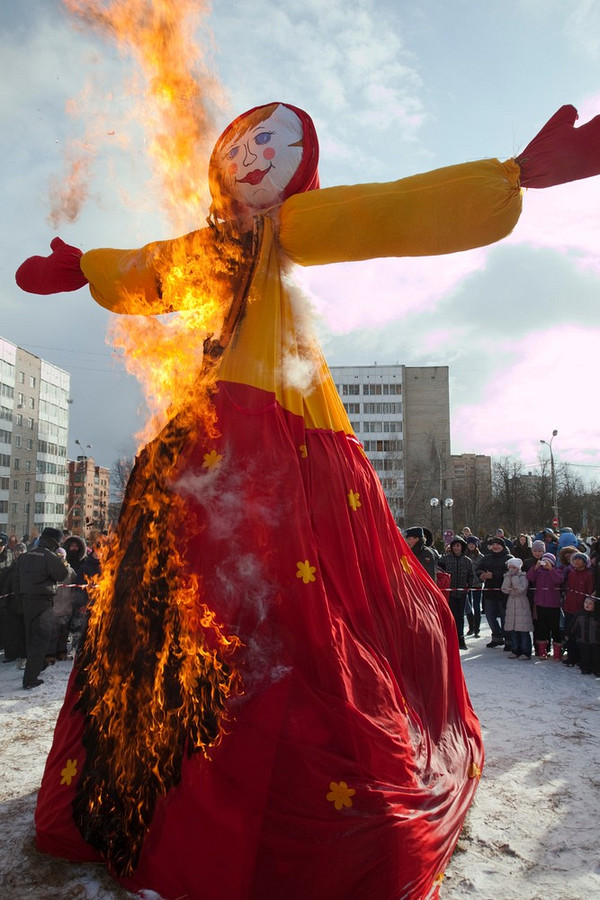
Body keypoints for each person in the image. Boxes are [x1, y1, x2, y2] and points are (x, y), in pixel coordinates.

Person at [16, 100, 600, 899]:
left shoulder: (291, 227)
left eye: (269, 141)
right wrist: (88, 266)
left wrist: (510, 178)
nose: (252, 157)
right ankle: (148, 772)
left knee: (296, 603)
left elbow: (387, 211)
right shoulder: (215, 246)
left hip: (281, 429)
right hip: (212, 428)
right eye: (239, 145)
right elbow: (149, 269)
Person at [17, 527, 68, 689]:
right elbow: (62, 575)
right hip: (43, 602)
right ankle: (30, 679)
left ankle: (36, 666)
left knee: (31, 637)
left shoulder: (26, 556)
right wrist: (63, 563)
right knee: (41, 640)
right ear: (55, 542)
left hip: (26, 601)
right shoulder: (50, 557)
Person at [526, 551, 564, 659]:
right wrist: (535, 567)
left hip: (553, 604)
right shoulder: (538, 571)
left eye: (548, 561)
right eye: (544, 561)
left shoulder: (557, 570)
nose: (545, 563)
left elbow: (559, 580)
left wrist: (550, 569)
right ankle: (543, 650)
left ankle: (557, 651)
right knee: (542, 628)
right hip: (540, 604)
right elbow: (529, 577)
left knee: (555, 628)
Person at [476, 536, 512, 648]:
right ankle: (496, 637)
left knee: (504, 617)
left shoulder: (509, 558)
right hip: (489, 592)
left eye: (498, 544)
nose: (495, 547)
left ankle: (508, 640)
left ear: (503, 546)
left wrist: (494, 575)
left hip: (504, 593)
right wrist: (481, 574)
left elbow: (510, 572)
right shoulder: (486, 558)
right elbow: (478, 568)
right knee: (490, 616)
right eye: (493, 544)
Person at [562, 551, 594, 667]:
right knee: (569, 633)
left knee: (580, 635)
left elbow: (590, 591)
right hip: (569, 607)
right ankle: (571, 656)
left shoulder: (589, 575)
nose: (576, 561)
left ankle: (581, 658)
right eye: (575, 559)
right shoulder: (571, 573)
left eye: (579, 560)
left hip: (581, 609)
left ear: (585, 562)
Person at [441, 536, 473, 649]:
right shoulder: (445, 559)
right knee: (451, 616)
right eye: (454, 545)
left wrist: (468, 584)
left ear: (462, 547)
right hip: (450, 593)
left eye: (458, 546)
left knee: (461, 617)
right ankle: (451, 639)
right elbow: (440, 571)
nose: (456, 548)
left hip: (462, 593)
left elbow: (471, 575)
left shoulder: (467, 561)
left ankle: (461, 639)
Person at [1, 541, 27, 666]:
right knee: (10, 631)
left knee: (23, 631)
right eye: (17, 550)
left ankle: (23, 654)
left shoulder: (27, 568)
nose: (18, 553)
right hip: (9, 604)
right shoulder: (9, 568)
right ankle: (11, 654)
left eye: (21, 550)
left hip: (23, 604)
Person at [501, 557, 533, 659]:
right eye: (510, 567)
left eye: (514, 567)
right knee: (513, 630)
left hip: (521, 603)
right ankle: (515, 650)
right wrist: (507, 578)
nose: (511, 570)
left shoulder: (523, 577)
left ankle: (526, 651)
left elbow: (520, 589)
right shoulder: (507, 576)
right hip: (511, 603)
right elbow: (504, 590)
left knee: (523, 631)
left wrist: (514, 578)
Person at [570, 596, 600, 676]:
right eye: (586, 602)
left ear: (594, 605)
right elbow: (573, 625)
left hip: (595, 641)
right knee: (585, 656)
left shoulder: (597, 615)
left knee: (596, 656)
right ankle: (585, 668)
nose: (587, 604)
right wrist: (569, 633)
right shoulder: (580, 614)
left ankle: (597, 670)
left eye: (590, 603)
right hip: (582, 640)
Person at [465, 536, 484, 638]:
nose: (471, 546)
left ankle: (477, 629)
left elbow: (482, 570)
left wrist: (478, 579)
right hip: (467, 584)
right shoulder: (465, 555)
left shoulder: (481, 557)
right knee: (468, 607)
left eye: (473, 544)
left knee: (477, 606)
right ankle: (471, 627)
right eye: (469, 544)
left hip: (477, 584)